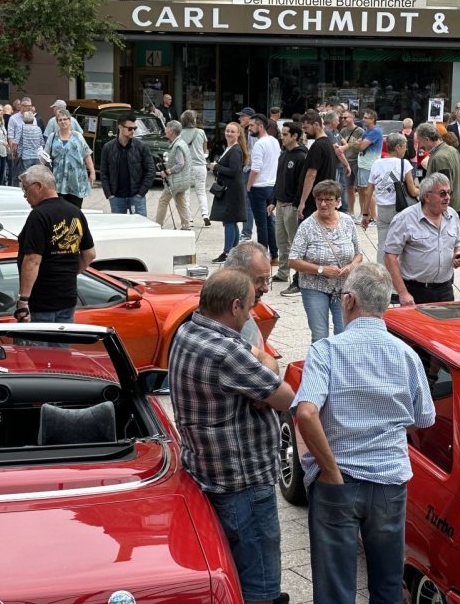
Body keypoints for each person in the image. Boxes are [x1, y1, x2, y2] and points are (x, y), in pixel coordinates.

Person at [294, 262, 434, 604]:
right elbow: (424, 418)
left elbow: (306, 413)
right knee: (388, 586)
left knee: (335, 591)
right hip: (389, 482)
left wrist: (329, 471)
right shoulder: (406, 355)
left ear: (349, 300)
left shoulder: (326, 351)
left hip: (338, 482)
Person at [169, 268, 295, 604]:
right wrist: (264, 379)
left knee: (231, 569)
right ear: (235, 306)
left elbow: (261, 363)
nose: (252, 315)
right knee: (260, 585)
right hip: (245, 484)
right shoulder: (225, 352)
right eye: (250, 307)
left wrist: (260, 376)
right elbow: (285, 398)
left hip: (209, 474)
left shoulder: (188, 331)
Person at [14, 165, 96, 325]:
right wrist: (67, 275)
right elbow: (90, 254)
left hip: (42, 301)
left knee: (42, 342)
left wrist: (23, 301)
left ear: (38, 186)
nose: (24, 196)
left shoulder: (39, 216)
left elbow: (32, 260)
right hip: (68, 298)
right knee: (62, 342)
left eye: (25, 189)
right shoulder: (75, 212)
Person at [288, 180, 363, 342]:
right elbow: (293, 260)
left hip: (343, 288)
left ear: (338, 201)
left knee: (344, 333)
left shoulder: (347, 222)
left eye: (328, 200)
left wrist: (351, 266)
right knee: (320, 335)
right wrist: (321, 269)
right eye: (319, 200)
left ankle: (340, 359)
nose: (323, 204)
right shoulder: (307, 226)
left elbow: (359, 254)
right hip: (314, 286)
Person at [384, 173, 460, 305]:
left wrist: (458, 254)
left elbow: (458, 243)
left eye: (449, 193)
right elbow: (389, 257)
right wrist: (403, 293)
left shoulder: (452, 215)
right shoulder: (405, 219)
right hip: (416, 291)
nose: (448, 197)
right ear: (427, 196)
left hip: (445, 289)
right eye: (442, 193)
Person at [370, 132, 419, 254]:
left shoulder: (376, 163)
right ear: (398, 147)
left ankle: (381, 266)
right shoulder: (404, 163)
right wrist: (423, 190)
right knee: (401, 243)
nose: (406, 149)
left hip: (382, 209)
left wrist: (366, 213)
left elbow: (368, 191)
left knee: (382, 243)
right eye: (405, 146)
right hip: (399, 208)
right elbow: (413, 191)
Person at [272, 121, 307, 286]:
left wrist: (296, 203)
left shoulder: (301, 156)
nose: (282, 137)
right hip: (280, 204)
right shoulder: (283, 154)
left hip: (291, 206)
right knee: (281, 241)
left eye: (285, 134)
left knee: (295, 242)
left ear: (295, 136)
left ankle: (300, 276)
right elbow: (279, 179)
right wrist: (273, 201)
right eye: (281, 134)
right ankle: (282, 272)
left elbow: (301, 184)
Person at [100, 113, 154, 217]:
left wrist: (141, 193)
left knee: (140, 225)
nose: (133, 131)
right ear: (120, 127)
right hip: (116, 197)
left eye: (135, 128)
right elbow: (104, 173)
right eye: (130, 128)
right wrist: (109, 194)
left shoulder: (142, 147)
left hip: (136, 197)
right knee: (119, 226)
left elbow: (150, 170)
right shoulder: (108, 148)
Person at [223, 241, 275, 348]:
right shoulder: (223, 323)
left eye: (267, 280)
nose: (265, 289)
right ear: (234, 276)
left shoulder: (241, 309)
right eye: (258, 280)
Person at [210, 122, 249, 263]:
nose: (229, 133)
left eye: (232, 131)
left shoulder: (235, 150)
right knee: (231, 220)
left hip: (232, 191)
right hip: (230, 189)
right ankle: (233, 251)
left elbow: (233, 171)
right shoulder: (230, 148)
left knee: (229, 221)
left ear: (238, 134)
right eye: (227, 131)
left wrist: (216, 166)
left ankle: (227, 253)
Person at [419, 123, 460, 230]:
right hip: (455, 207)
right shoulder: (451, 150)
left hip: (447, 210)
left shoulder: (440, 157)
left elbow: (444, 189)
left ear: (427, 139)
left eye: (420, 141)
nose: (419, 146)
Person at [44, 110, 96, 209]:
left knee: (75, 209)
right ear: (57, 122)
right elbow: (44, 155)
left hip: (76, 180)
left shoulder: (78, 136)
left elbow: (86, 154)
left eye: (65, 119)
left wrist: (92, 172)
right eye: (60, 120)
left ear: (70, 120)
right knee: (59, 209)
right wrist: (39, 172)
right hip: (58, 180)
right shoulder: (52, 137)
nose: (63, 122)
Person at [247, 113, 281, 263]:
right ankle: (274, 254)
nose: (249, 128)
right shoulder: (274, 141)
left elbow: (256, 168)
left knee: (261, 224)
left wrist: (248, 186)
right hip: (271, 186)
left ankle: (263, 258)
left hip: (259, 187)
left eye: (251, 125)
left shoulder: (259, 144)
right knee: (269, 222)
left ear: (260, 126)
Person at [156, 119, 196, 229]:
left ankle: (158, 225)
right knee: (181, 201)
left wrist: (167, 171)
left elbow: (180, 164)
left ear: (172, 131)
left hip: (175, 181)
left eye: (167, 128)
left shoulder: (177, 145)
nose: (165, 130)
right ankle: (186, 225)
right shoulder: (181, 143)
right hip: (182, 180)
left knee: (163, 201)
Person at [300, 112, 340, 220]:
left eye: (306, 127)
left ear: (316, 125)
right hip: (324, 197)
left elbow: (311, 175)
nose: (304, 131)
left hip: (314, 201)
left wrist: (302, 202)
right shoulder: (328, 143)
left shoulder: (317, 146)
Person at [179, 110, 211, 226]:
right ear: (193, 120)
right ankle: (205, 214)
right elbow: (204, 149)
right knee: (201, 191)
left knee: (186, 193)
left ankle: (190, 219)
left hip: (186, 166)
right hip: (200, 166)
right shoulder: (200, 132)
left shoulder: (180, 133)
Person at [354, 109, 384, 229]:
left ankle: (375, 218)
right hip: (363, 164)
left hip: (369, 165)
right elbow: (357, 143)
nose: (363, 119)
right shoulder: (367, 131)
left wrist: (359, 144)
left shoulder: (375, 131)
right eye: (364, 117)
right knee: (361, 190)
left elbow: (361, 146)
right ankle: (365, 215)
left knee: (368, 191)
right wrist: (359, 144)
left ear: (373, 120)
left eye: (366, 118)